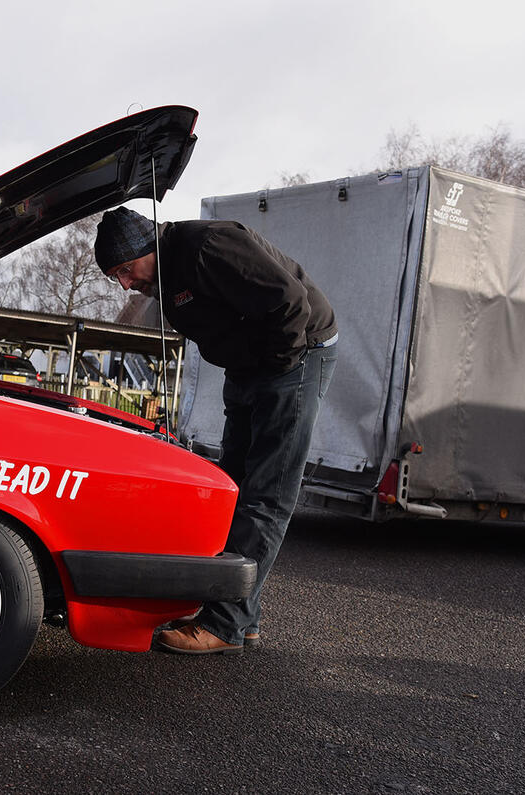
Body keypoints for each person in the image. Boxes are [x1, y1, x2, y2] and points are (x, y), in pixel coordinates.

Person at [94, 207, 337, 655]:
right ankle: (242, 615)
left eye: (126, 270)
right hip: (252, 368)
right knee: (234, 486)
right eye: (116, 277)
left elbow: (289, 303)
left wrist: (273, 372)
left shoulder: (209, 246)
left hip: (297, 355)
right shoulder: (163, 278)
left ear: (147, 247)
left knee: (267, 493)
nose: (126, 284)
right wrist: (245, 372)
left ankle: (225, 624)